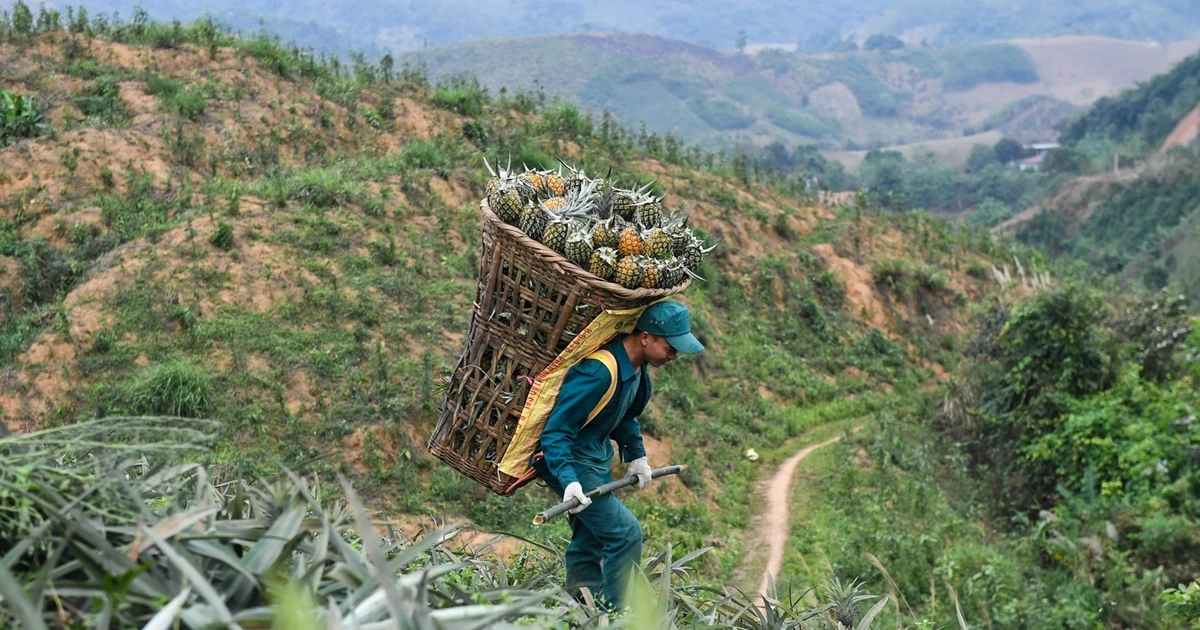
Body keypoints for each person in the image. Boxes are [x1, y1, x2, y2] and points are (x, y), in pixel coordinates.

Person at [534, 301, 705, 611]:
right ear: (645, 337)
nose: (674, 355)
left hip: (596, 459)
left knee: (590, 540)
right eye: (670, 346)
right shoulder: (599, 372)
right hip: (572, 461)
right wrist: (569, 480)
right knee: (625, 534)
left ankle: (580, 610)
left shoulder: (639, 371)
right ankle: (617, 615)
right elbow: (557, 431)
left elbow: (625, 416)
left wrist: (637, 455)